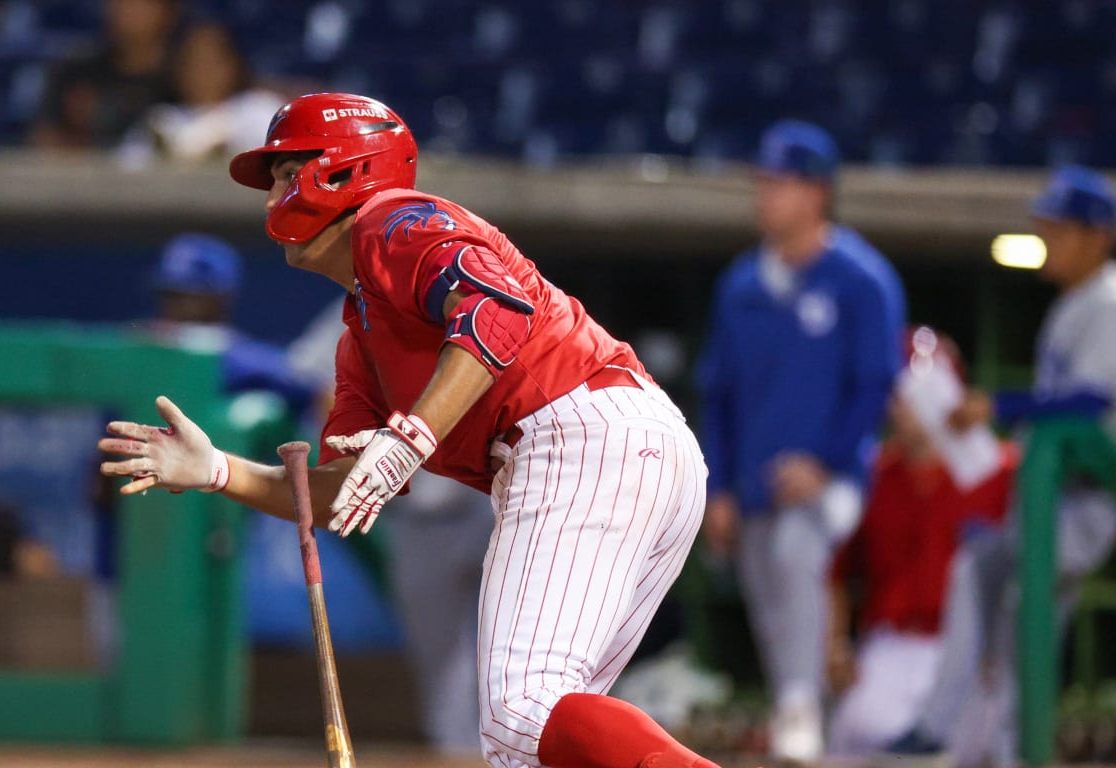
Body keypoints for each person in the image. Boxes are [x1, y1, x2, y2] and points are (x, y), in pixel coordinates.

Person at [100, 92, 716, 768]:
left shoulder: (394, 222)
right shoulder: (359, 329)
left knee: (522, 713)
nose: (271, 194)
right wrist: (220, 470)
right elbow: (346, 496)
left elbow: (498, 309)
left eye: (283, 173)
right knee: (530, 746)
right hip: (622, 444)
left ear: (342, 171)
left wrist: (410, 438)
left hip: (580, 431)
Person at [889, 165, 1116, 765]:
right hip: (1055, 491)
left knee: (1026, 613)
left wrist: (999, 403)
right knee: (975, 569)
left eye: (1059, 229)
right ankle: (939, 725)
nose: (1047, 239)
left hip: (1094, 491)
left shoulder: (1110, 298)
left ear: (1098, 236)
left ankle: (1021, 754)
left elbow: (1094, 398)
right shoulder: (1073, 305)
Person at [694, 120, 906, 763]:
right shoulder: (741, 285)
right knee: (764, 587)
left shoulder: (861, 278)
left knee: (795, 550)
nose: (764, 196)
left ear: (818, 193)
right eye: (761, 183)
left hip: (838, 480)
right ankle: (808, 709)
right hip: (756, 484)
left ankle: (797, 706)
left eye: (778, 184)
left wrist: (826, 464)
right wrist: (719, 487)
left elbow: (875, 386)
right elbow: (719, 395)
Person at [288, 299, 492, 756]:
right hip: (418, 517)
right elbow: (305, 373)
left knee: (514, 649)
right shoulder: (366, 303)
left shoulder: (470, 294)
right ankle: (460, 755)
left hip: (492, 504)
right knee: (439, 658)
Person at [824, 327, 1016, 756]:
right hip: (893, 645)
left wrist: (1003, 650)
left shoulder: (1000, 470)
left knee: (982, 746)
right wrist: (836, 647)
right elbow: (834, 572)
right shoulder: (872, 473)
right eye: (901, 392)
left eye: (922, 389)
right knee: (856, 731)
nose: (907, 406)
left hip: (974, 652)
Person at [118, 23, 285, 165]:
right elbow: (124, 174)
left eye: (213, 62)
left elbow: (287, 163)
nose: (204, 71)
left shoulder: (259, 110)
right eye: (194, 62)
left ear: (234, 65)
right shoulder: (161, 121)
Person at [31, 0, 182, 150]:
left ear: (167, 12)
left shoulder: (185, 76)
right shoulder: (76, 71)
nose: (124, 9)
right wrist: (77, 131)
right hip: (90, 171)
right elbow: (43, 140)